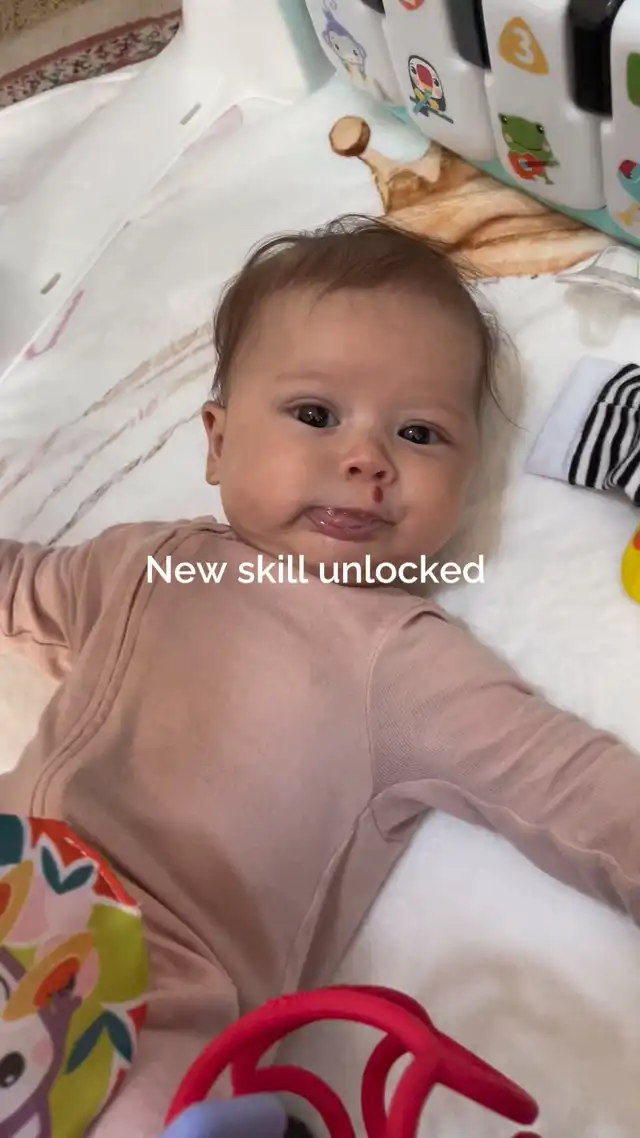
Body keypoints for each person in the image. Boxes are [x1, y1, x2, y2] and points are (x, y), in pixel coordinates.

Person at [1, 215, 640, 1138]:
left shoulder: (400, 658)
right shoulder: (144, 561)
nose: (366, 458)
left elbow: (580, 795)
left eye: (419, 433)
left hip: (149, 1001)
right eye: (314, 415)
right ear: (216, 441)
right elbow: (19, 588)